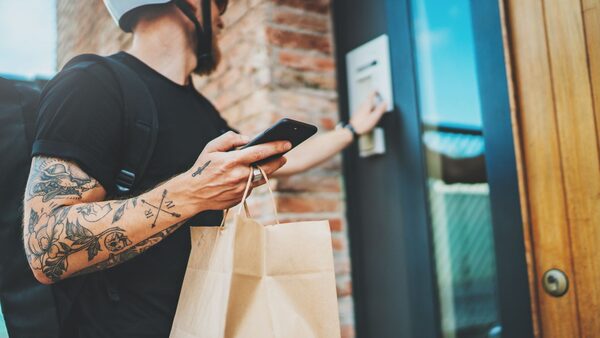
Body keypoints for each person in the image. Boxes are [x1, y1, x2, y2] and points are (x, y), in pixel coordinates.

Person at [22, 0, 387, 336]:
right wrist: (194, 192)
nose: (223, 18)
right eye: (221, 4)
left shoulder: (203, 113)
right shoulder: (90, 83)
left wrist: (350, 130)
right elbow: (45, 248)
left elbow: (278, 160)